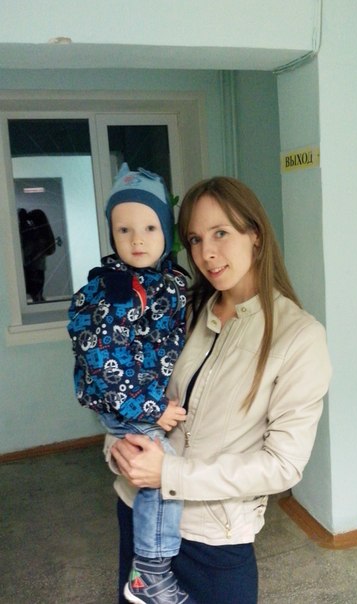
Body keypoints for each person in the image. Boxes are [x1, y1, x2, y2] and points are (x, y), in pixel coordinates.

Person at [106, 176, 332, 604]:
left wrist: (169, 474)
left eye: (221, 233)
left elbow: (283, 465)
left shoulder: (299, 337)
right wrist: (117, 447)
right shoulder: (180, 309)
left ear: (255, 235)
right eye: (195, 239)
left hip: (213, 537)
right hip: (140, 510)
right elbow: (130, 387)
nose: (206, 253)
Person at [67, 164, 192, 604]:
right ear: (112, 235)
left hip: (144, 398)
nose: (137, 240)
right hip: (130, 405)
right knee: (162, 472)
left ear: (167, 233)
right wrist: (152, 408)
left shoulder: (167, 280)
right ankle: (150, 573)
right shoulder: (116, 289)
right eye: (124, 230)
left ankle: (151, 568)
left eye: (150, 228)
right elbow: (106, 364)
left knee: (161, 470)